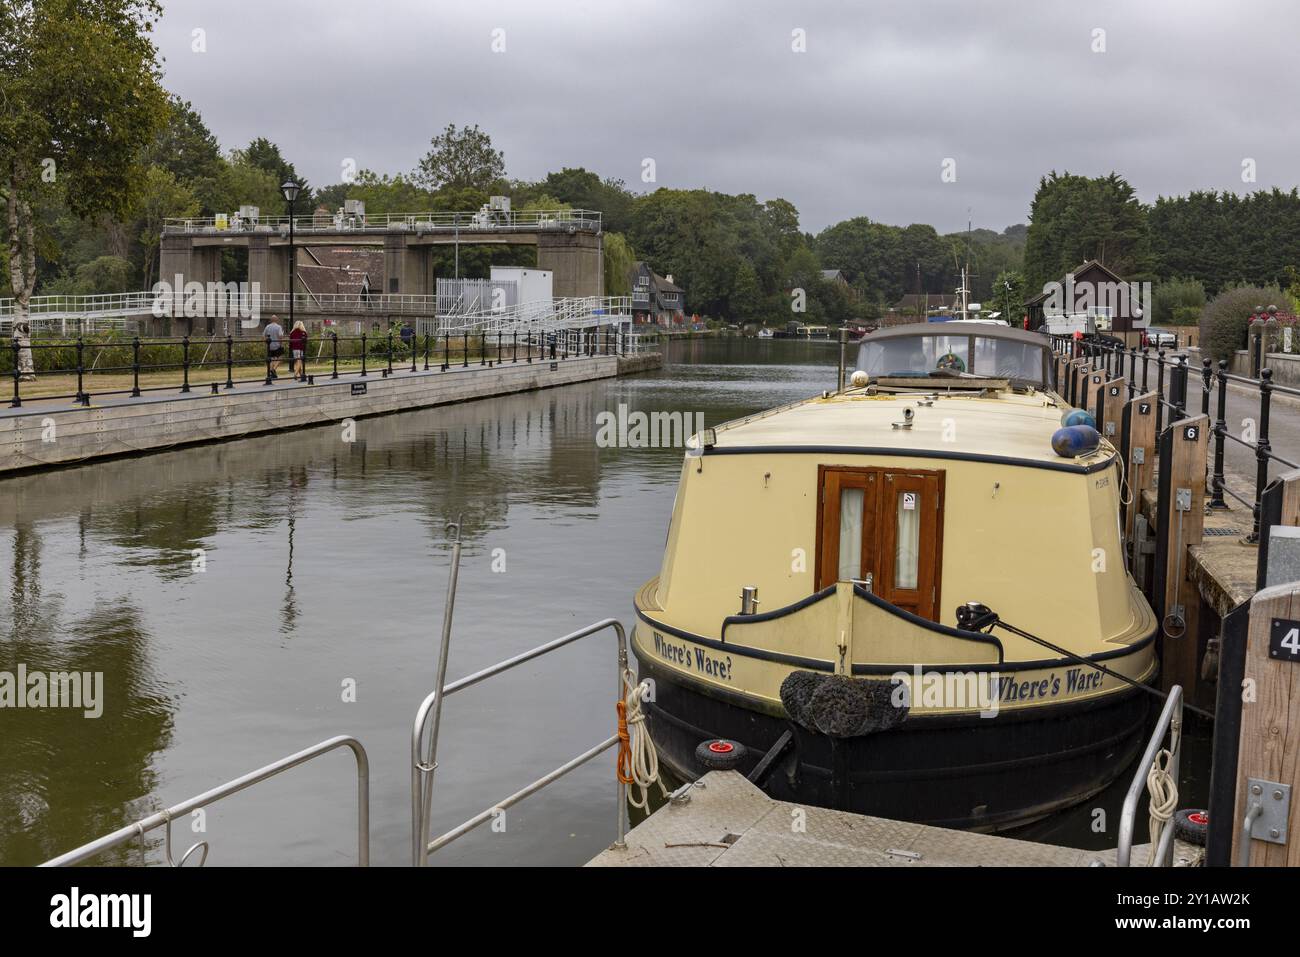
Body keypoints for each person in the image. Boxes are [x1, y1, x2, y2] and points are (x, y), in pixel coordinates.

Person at [264, 315, 285, 380]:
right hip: (277, 345)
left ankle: (271, 372)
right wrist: (281, 344)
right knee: (280, 357)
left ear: (271, 320)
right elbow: (280, 336)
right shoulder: (278, 327)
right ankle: (273, 370)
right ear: (276, 320)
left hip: (269, 345)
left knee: (272, 359)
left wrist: (266, 343)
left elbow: (264, 335)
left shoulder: (267, 327)